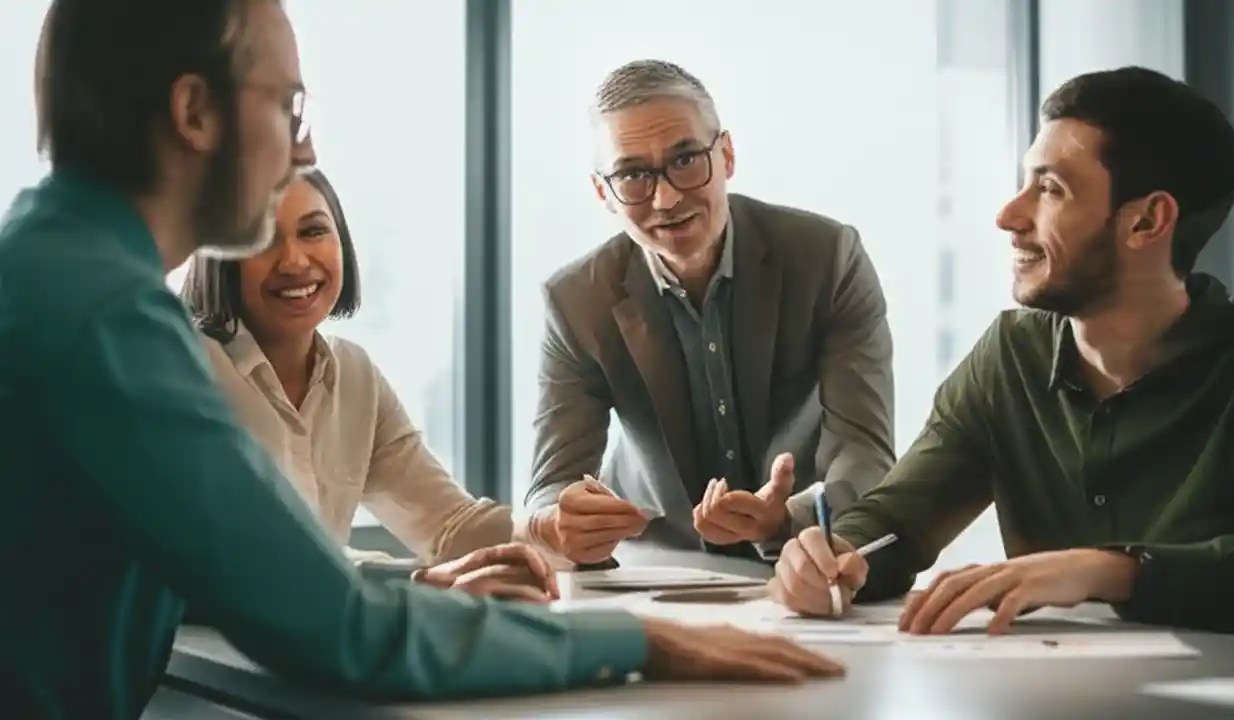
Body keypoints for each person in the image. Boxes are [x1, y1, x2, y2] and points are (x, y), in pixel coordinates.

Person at [0, 2, 843, 717]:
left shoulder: (47, 274)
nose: (303, 152)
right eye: (291, 108)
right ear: (195, 113)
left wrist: (474, 561)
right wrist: (638, 641)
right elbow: (337, 629)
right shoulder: (107, 322)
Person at [770, 66, 1234, 641]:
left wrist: (1108, 570)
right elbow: (897, 522)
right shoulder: (1011, 355)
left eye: (1050, 190)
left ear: (1146, 221)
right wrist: (832, 556)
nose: (1008, 216)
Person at [524, 59, 895, 566]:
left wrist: (790, 518)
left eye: (685, 160)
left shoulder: (828, 258)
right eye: (632, 175)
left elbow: (866, 452)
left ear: (727, 155)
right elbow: (550, 486)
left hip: (804, 553)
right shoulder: (575, 300)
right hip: (650, 566)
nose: (666, 198)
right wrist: (561, 523)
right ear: (602, 192)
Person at [181, 169, 550, 600]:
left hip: (314, 631)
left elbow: (448, 525)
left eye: (313, 231)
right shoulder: (187, 368)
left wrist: (547, 529)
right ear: (221, 257)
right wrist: (414, 580)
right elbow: (239, 559)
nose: (294, 261)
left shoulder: (354, 374)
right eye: (262, 239)